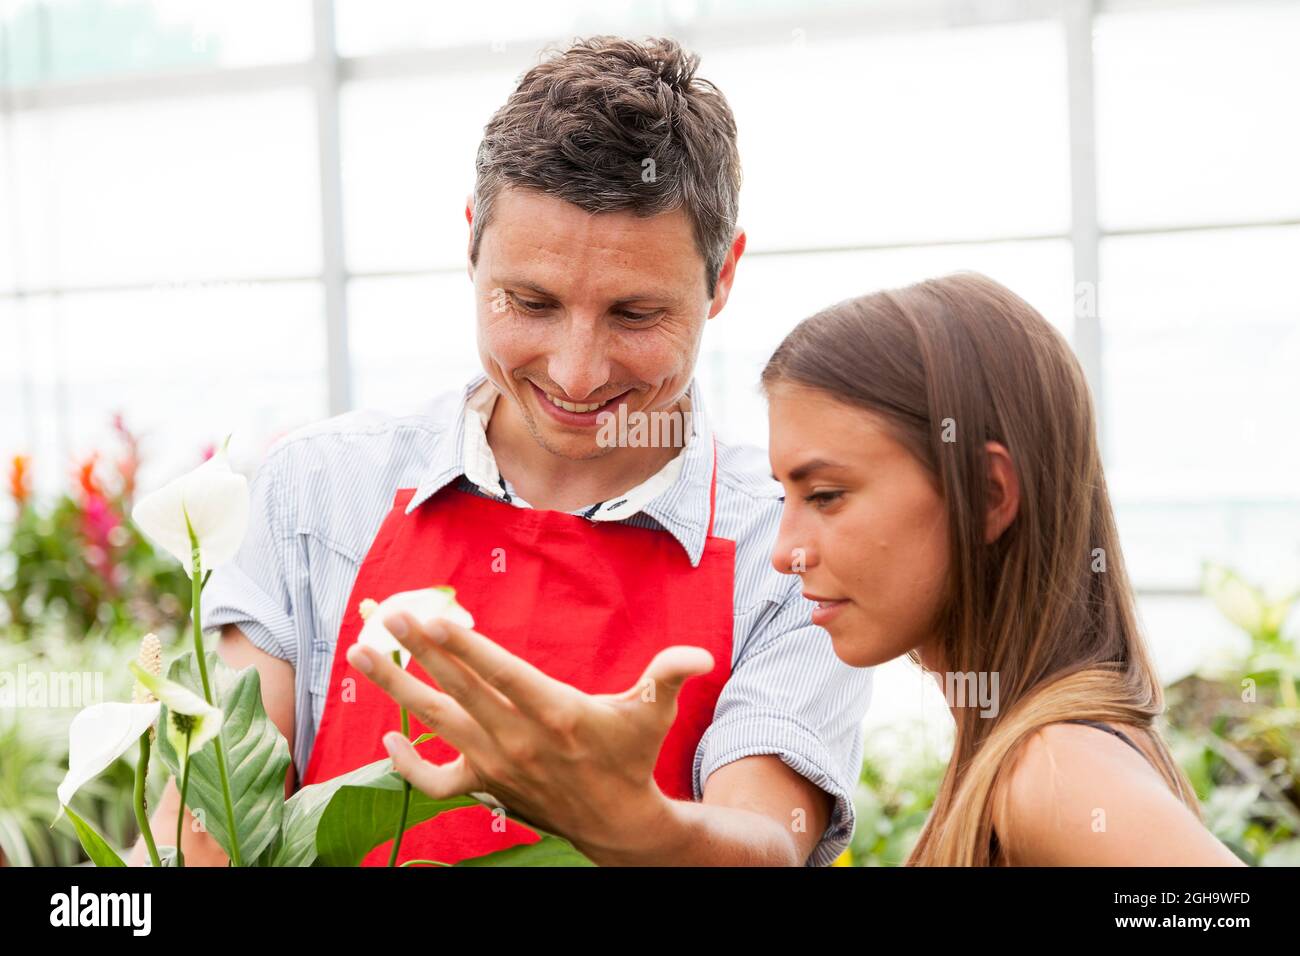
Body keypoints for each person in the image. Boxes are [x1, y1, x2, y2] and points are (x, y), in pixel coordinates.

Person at [129, 36, 872, 868]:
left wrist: (627, 818)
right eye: (530, 301)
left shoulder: (786, 546)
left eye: (635, 315)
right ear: (473, 241)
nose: (576, 372)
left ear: (722, 276)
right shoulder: (321, 487)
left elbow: (768, 842)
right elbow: (199, 832)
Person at [758, 272, 1246, 865]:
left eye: (827, 495)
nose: (785, 551)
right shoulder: (1024, 749)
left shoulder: (1054, 771)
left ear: (989, 495)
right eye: (784, 495)